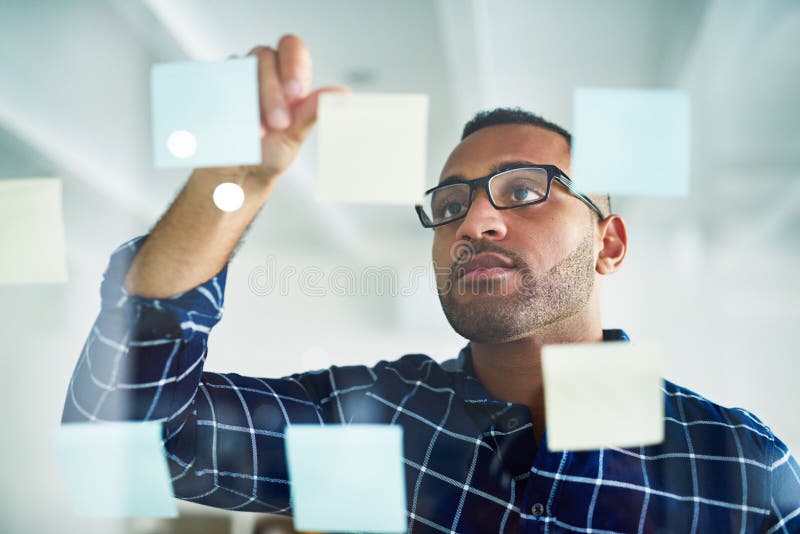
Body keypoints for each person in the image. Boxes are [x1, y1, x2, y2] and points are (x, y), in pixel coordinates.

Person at [62, 34, 800, 533]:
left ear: (608, 244)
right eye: (450, 205)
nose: (475, 220)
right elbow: (123, 437)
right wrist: (233, 187)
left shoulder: (738, 466)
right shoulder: (369, 421)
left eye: (523, 190)